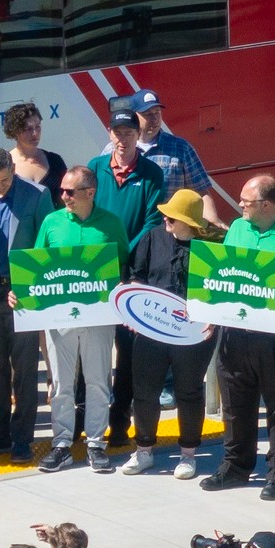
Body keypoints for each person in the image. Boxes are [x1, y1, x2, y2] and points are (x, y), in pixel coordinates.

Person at [202, 173, 275, 500]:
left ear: (266, 205)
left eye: (246, 201)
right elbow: (223, 274)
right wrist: (212, 312)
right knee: (235, 403)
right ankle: (236, 467)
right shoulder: (239, 228)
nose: (239, 205)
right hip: (236, 332)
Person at [32, 166, 131, 476]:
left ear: (90, 193)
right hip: (59, 316)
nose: (63, 196)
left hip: (99, 316)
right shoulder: (51, 221)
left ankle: (96, 444)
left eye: (69, 192)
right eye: (61, 190)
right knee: (60, 383)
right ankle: (62, 444)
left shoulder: (111, 224)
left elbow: (123, 263)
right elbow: (36, 267)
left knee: (98, 381)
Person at [124, 187, 221, 480]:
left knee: (189, 391)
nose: (165, 220)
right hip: (153, 329)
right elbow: (136, 276)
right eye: (165, 216)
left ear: (190, 223)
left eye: (172, 218)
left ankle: (188, 453)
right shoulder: (153, 237)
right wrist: (132, 310)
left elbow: (222, 288)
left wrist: (215, 317)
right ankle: (143, 450)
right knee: (144, 391)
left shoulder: (211, 245)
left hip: (193, 332)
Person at [0, 147, 52, 461]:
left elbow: (46, 249)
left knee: (25, 371)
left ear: (13, 171)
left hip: (21, 296)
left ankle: (22, 439)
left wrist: (29, 289)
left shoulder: (37, 196)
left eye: (2, 181)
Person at [88, 97, 165, 445]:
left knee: (128, 352)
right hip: (96, 274)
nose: (123, 139)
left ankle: (119, 423)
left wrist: (125, 256)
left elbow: (151, 222)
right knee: (91, 350)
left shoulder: (152, 174)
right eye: (117, 132)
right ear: (110, 133)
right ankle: (85, 420)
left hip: (132, 274)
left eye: (129, 132)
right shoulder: (95, 167)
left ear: (138, 134)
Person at [123, 88, 219, 223]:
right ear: (134, 116)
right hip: (132, 229)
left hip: (170, 230)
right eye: (148, 114)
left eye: (157, 112)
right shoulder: (116, 150)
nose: (155, 119)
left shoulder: (180, 148)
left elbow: (201, 192)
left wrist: (213, 222)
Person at [3, 101, 68, 204]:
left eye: (38, 127)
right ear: (14, 131)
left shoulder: (55, 160)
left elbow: (67, 196)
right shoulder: (4, 163)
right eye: (28, 129)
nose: (35, 133)